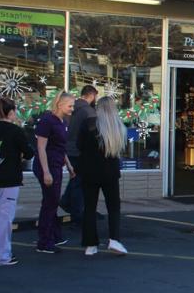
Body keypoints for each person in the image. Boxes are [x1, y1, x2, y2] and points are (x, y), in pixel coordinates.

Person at [0, 98, 34, 266]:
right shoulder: (15, 131)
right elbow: (28, 152)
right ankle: (1, 256)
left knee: (0, 214)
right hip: (9, 177)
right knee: (4, 219)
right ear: (11, 112)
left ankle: (3, 253)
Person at [79, 97, 129, 256]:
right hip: (110, 172)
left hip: (90, 171)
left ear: (98, 108)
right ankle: (114, 239)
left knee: (89, 208)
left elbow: (79, 145)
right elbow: (120, 150)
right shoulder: (118, 126)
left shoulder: (89, 124)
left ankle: (90, 244)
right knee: (113, 207)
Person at [34, 91, 76, 254]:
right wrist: (46, 172)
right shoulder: (47, 121)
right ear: (59, 104)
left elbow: (60, 146)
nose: (72, 109)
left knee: (52, 202)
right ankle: (44, 242)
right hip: (48, 166)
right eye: (70, 106)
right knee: (50, 203)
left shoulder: (62, 121)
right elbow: (41, 147)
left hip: (57, 165)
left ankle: (54, 235)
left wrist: (69, 165)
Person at [60, 85, 98, 224]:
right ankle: (76, 212)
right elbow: (93, 133)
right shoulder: (89, 111)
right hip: (80, 150)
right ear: (92, 95)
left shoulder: (70, 108)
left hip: (68, 149)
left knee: (75, 178)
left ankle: (66, 202)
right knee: (79, 182)